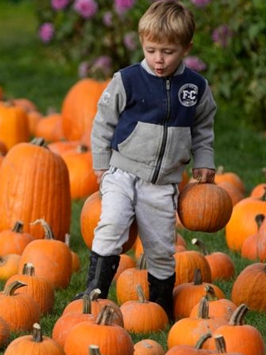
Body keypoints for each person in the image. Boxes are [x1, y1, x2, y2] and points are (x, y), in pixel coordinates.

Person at [75, 0, 217, 322]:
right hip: (123, 171)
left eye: (168, 51)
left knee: (162, 249)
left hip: (163, 182)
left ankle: (159, 309)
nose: (158, 59)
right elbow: (103, 123)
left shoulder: (195, 88)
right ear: (142, 43)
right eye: (151, 50)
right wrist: (101, 164)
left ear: (186, 48)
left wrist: (204, 159)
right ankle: (94, 295)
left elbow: (203, 129)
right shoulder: (127, 80)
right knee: (110, 225)